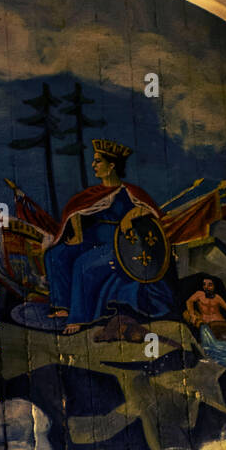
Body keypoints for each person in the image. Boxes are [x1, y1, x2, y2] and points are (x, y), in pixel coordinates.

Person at [42, 139, 174, 336]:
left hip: (119, 245)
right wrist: (77, 235)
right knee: (56, 254)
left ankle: (79, 317)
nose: (93, 165)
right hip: (91, 241)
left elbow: (151, 212)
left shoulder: (129, 192)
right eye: (94, 161)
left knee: (82, 264)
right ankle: (62, 306)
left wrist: (130, 215)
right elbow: (75, 211)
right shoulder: (93, 193)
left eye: (98, 161)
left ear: (111, 166)